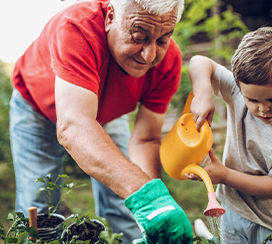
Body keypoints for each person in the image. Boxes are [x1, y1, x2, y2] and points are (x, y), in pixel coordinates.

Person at [9, 0, 193, 243]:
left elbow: (146, 138)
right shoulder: (77, 28)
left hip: (104, 115)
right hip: (37, 109)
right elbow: (74, 126)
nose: (149, 55)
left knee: (129, 206)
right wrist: (145, 194)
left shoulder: (168, 62)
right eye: (139, 36)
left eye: (162, 40)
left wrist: (156, 204)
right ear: (110, 17)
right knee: (40, 208)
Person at [187, 27, 272, 243]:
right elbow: (198, 62)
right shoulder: (236, 90)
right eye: (252, 100)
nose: (263, 109)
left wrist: (224, 176)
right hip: (231, 211)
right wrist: (204, 92)